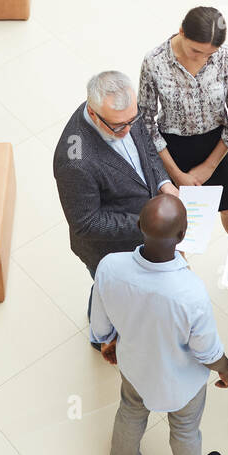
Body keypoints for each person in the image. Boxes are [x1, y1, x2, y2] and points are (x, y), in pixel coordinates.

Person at [90, 193, 228, 455]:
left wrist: (107, 341)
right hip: (181, 383)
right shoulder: (191, 292)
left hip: (134, 368)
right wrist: (227, 368)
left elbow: (101, 322)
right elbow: (208, 353)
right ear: (182, 235)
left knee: (130, 411)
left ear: (140, 226)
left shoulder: (109, 266)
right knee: (184, 430)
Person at [53, 71, 179, 349]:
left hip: (142, 233)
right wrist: (147, 224)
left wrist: (163, 182)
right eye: (118, 126)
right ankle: (104, 337)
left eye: (131, 121)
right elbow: (85, 223)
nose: (128, 129)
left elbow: (146, 147)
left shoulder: (126, 114)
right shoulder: (75, 160)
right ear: (93, 113)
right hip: (108, 250)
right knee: (109, 293)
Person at [138, 6, 228, 237]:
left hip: (216, 146)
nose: (202, 58)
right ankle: (180, 269)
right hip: (170, 148)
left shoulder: (226, 57)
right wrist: (177, 175)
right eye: (196, 50)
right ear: (181, 31)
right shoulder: (155, 61)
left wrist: (209, 166)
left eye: (209, 53)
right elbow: (145, 119)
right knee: (174, 220)